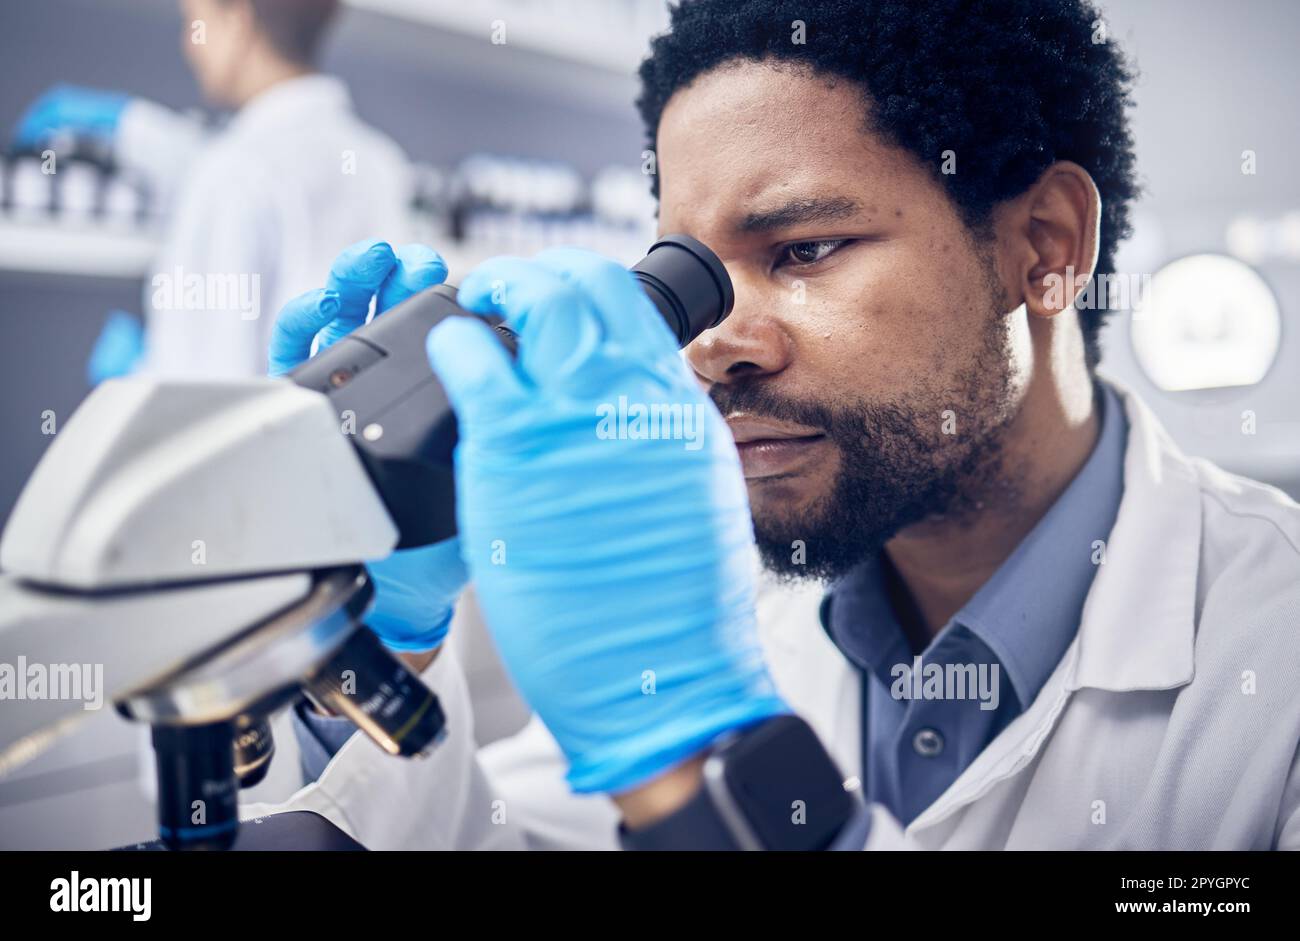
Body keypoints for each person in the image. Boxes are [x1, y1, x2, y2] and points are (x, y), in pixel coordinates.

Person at [245, 0, 1300, 849]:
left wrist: (705, 758)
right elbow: (503, 833)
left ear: (1045, 244)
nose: (713, 344)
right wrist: (376, 656)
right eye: (689, 279)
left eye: (802, 250)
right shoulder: (732, 598)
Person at [15, 0, 411, 379]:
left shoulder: (230, 171)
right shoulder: (379, 160)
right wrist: (135, 124)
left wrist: (136, 375)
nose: (189, 42)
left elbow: (196, 398)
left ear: (237, 20)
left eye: (194, 21)